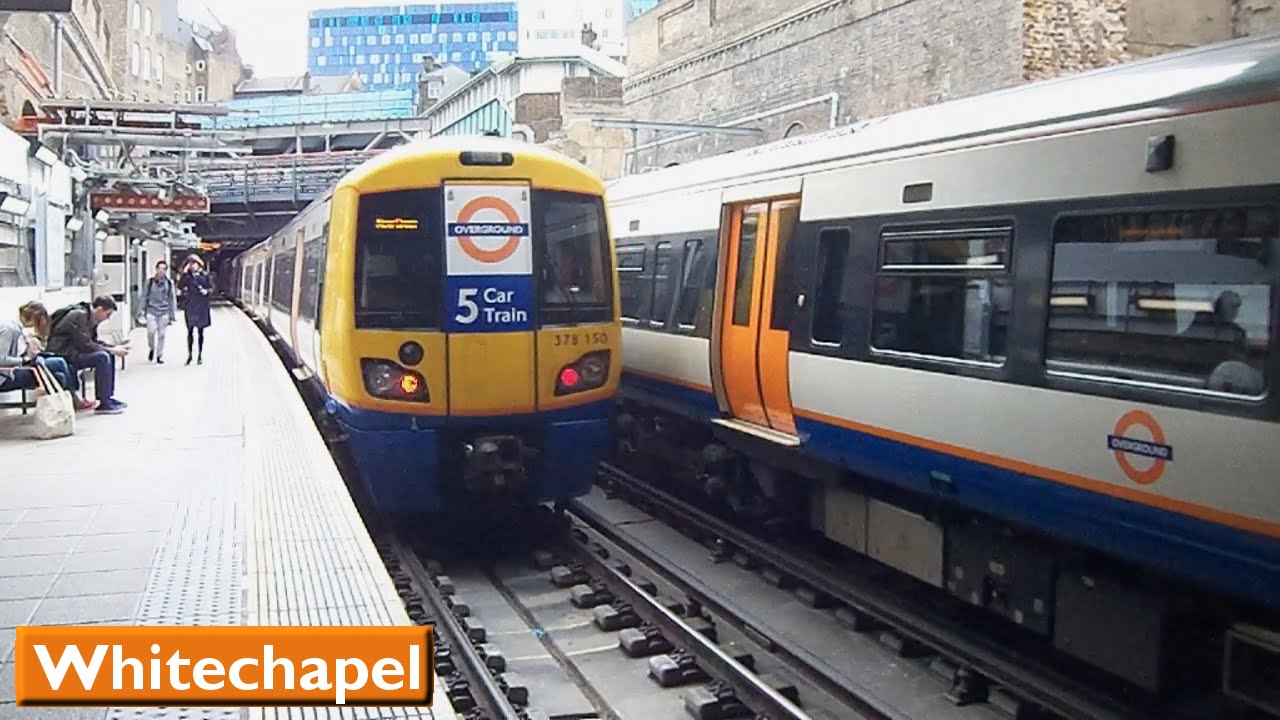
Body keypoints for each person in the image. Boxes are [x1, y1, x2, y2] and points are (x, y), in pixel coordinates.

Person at [45, 295, 129, 414]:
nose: (107, 319)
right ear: (100, 310)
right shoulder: (78, 316)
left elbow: (93, 341)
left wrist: (112, 348)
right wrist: (111, 350)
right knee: (103, 357)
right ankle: (104, 403)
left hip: (74, 352)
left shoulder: (89, 317)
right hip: (65, 354)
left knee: (107, 355)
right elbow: (86, 344)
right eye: (107, 315)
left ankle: (107, 398)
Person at [13, 301, 99, 411]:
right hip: (21, 365)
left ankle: (70, 400)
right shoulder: (14, 329)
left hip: (30, 360)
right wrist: (26, 357)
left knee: (62, 369)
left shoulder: (22, 328)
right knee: (60, 363)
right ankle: (73, 400)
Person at [178, 255, 213, 365]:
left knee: (200, 332)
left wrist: (206, 292)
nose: (192, 266)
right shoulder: (187, 277)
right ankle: (190, 355)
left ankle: (200, 355)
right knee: (190, 332)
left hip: (202, 306)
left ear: (199, 264)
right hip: (190, 306)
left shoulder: (205, 276)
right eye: (190, 264)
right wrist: (183, 273)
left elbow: (212, 288)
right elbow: (180, 286)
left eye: (194, 263)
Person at [142, 260, 177, 363]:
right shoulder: (150, 282)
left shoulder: (169, 283)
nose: (161, 271)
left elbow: (172, 298)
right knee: (151, 332)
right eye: (160, 268)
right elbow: (144, 296)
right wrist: (141, 310)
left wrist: (172, 313)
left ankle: (159, 355)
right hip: (151, 310)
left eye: (164, 269)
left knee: (162, 334)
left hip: (164, 311)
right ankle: (152, 348)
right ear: (156, 269)